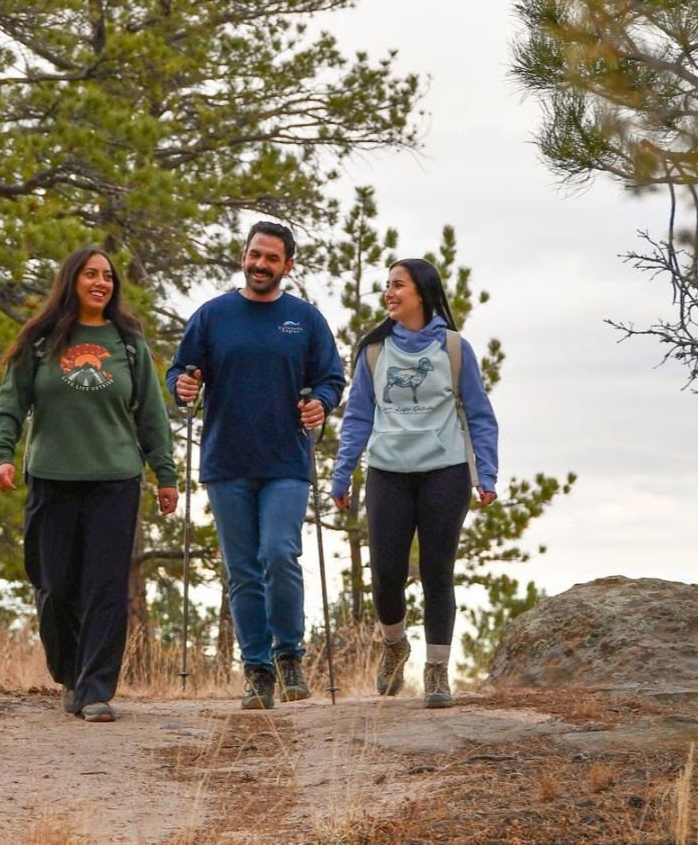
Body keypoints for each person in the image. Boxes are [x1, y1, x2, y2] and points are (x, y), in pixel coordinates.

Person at [0, 248, 179, 723]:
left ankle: (95, 689)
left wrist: (165, 475)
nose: (101, 282)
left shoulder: (128, 344)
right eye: (91, 274)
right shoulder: (39, 340)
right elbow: (11, 402)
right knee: (53, 585)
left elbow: (152, 416)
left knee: (105, 587)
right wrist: (3, 455)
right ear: (71, 280)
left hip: (114, 479)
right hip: (51, 476)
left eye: (108, 277)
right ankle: (70, 672)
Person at [167, 220, 345, 710]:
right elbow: (180, 371)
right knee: (242, 570)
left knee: (278, 553)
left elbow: (331, 377)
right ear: (243, 256)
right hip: (226, 460)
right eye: (254, 255)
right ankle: (257, 671)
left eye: (271, 258)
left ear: (288, 265)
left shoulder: (304, 319)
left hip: (286, 460)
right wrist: (182, 385)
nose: (260, 264)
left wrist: (321, 404)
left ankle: (289, 655)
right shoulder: (213, 315)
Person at [330, 258, 498, 708]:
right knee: (386, 574)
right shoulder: (373, 351)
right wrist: (342, 471)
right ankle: (394, 644)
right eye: (387, 285)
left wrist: (486, 473)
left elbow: (479, 415)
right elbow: (358, 416)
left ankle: (437, 670)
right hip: (387, 472)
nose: (389, 293)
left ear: (421, 293)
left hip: (444, 471)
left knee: (437, 572)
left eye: (398, 285)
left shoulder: (454, 349)